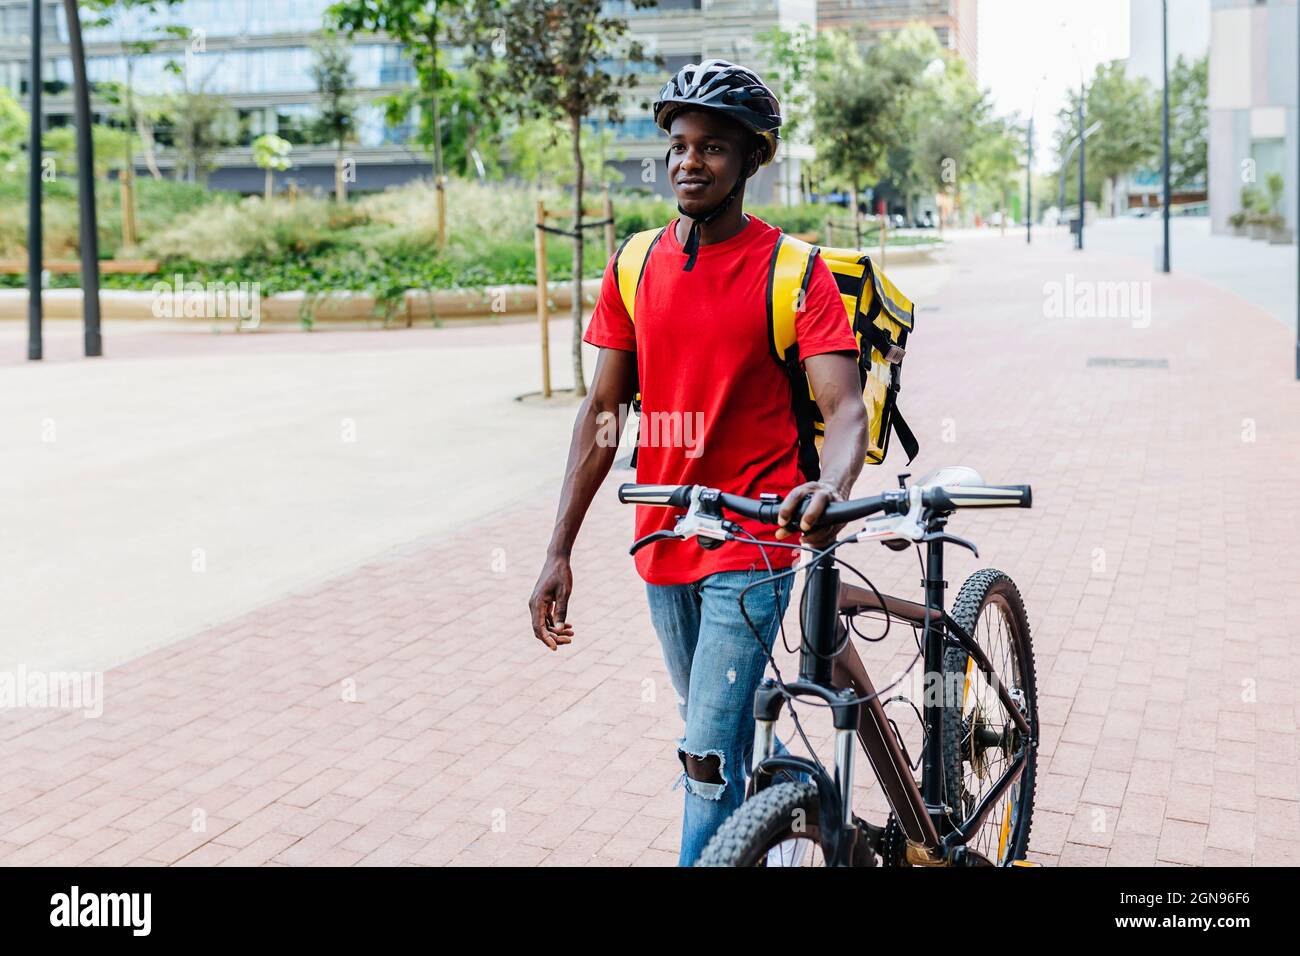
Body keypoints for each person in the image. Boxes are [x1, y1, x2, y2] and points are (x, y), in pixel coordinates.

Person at [527, 60, 868, 866]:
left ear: (754, 160)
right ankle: (774, 830)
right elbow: (603, 415)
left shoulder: (795, 271)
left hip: (759, 534)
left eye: (714, 147)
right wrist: (557, 549)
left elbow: (844, 407)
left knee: (706, 756)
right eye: (680, 144)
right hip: (662, 533)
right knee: (709, 718)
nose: (690, 161)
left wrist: (831, 483)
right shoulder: (636, 265)